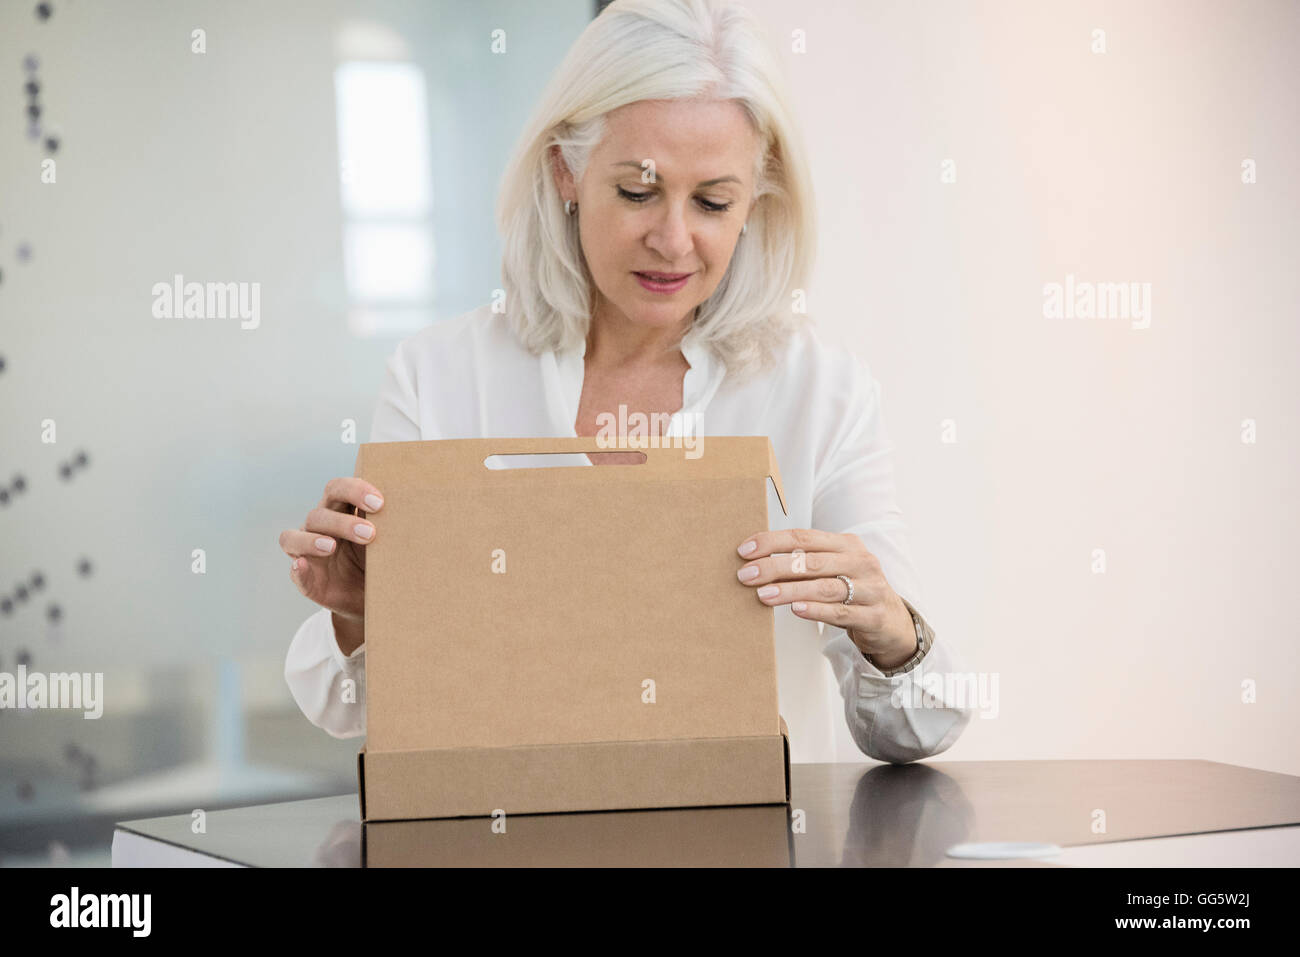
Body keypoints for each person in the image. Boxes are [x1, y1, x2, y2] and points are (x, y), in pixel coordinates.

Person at [281, 0, 972, 764]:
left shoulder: (822, 393)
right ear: (565, 171)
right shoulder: (438, 376)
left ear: (755, 201)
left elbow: (918, 729)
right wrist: (359, 614)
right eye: (639, 192)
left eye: (713, 201)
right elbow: (352, 712)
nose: (673, 240)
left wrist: (891, 631)